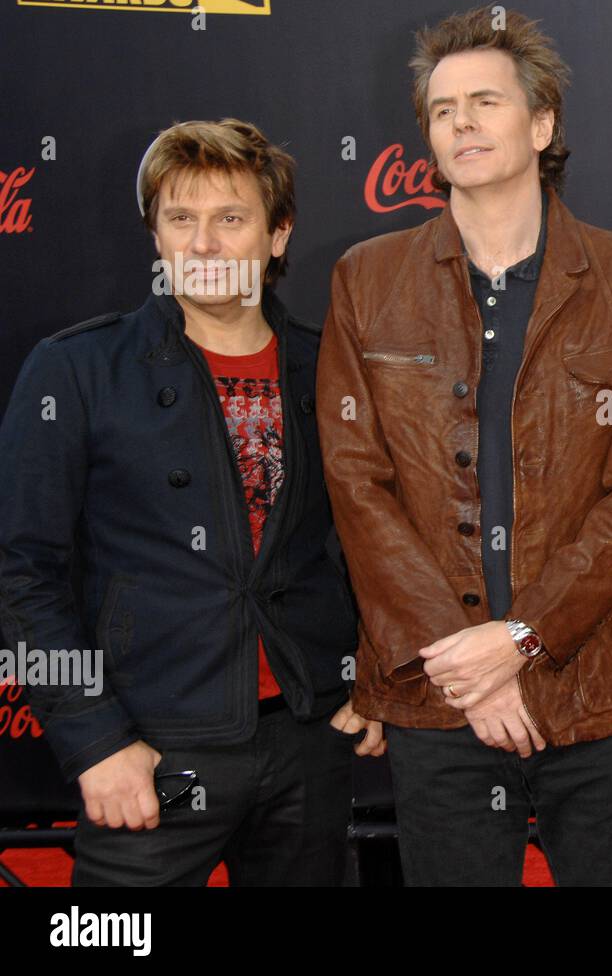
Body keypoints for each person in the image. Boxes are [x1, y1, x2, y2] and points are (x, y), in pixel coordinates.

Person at [316, 6, 612, 887]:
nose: (462, 123)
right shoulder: (366, 278)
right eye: (442, 111)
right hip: (438, 701)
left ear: (542, 123)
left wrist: (520, 639)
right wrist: (465, 661)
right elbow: (357, 485)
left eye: (485, 101)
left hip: (597, 690)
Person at [0, 118, 378, 887]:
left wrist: (381, 677)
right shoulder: (76, 369)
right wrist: (94, 741)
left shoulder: (332, 364)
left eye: (230, 218)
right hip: (149, 747)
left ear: (277, 236)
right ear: (156, 235)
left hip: (309, 743)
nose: (203, 244)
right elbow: (21, 571)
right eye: (181, 218)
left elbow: (379, 538)